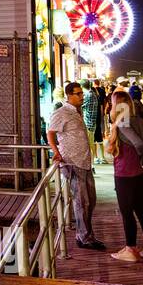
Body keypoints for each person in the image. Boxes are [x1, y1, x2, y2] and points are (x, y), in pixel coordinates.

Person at [47, 81, 105, 250]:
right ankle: (84, 237)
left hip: (84, 161)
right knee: (82, 201)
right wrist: (56, 152)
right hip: (72, 161)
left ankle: (86, 234)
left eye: (81, 93)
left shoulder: (77, 112)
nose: (81, 96)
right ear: (69, 95)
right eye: (78, 94)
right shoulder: (61, 112)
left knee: (90, 200)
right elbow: (50, 132)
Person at [105, 91, 143, 262]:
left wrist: (134, 154)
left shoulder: (123, 122)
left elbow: (140, 144)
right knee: (141, 209)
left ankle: (131, 250)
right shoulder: (139, 120)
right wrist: (141, 158)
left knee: (127, 212)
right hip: (140, 172)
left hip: (125, 172)